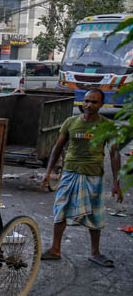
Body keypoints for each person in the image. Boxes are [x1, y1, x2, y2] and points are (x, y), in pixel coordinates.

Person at [40, 88, 124, 267]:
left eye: (94, 102)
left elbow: (114, 154)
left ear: (101, 104)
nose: (89, 105)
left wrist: (117, 182)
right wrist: (48, 172)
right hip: (70, 173)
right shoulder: (70, 122)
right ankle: (55, 249)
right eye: (86, 101)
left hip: (93, 175)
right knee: (60, 210)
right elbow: (57, 147)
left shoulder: (106, 126)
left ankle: (95, 252)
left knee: (94, 215)